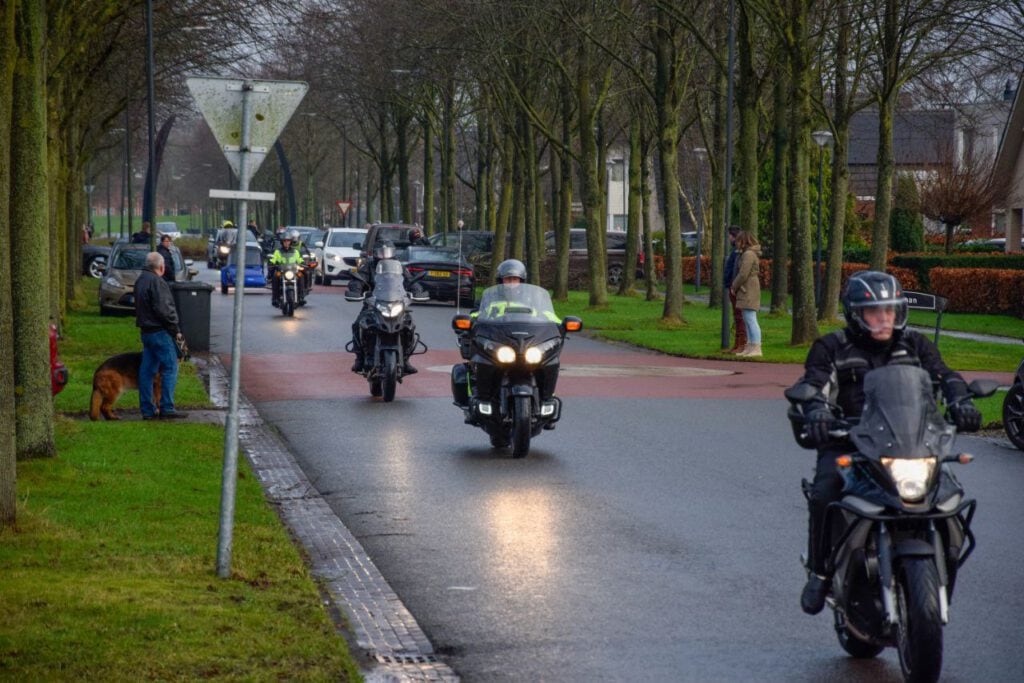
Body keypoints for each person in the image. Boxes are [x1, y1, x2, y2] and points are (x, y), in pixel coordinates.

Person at [794, 270, 982, 615]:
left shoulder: (915, 344)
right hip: (849, 441)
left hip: (911, 444)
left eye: (890, 311)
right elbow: (815, 385)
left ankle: (940, 565)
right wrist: (817, 411)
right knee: (824, 492)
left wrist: (961, 402)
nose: (884, 319)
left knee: (948, 496)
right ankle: (820, 573)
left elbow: (945, 375)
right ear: (855, 314)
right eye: (875, 312)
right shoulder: (831, 347)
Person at [348, 242, 425, 374]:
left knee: (409, 325)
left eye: (387, 251)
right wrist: (356, 290)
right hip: (373, 303)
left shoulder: (399, 266)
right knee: (357, 325)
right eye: (381, 251)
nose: (384, 254)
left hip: (396, 302)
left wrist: (417, 291)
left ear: (393, 252)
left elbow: (409, 280)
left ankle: (405, 360)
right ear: (375, 252)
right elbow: (359, 280)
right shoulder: (369, 265)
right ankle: (359, 358)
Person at [134, 252, 187, 420]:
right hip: (160, 332)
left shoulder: (140, 280)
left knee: (146, 371)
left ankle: (147, 410)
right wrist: (175, 327)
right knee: (171, 367)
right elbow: (164, 309)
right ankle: (167, 407)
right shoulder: (157, 282)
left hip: (146, 332)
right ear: (161, 267)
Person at [730, 231, 762, 357]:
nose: (736, 243)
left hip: (748, 287)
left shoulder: (748, 254)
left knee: (750, 318)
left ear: (743, 242)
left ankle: (756, 347)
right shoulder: (748, 253)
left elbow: (743, 273)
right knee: (747, 318)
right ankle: (750, 346)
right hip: (748, 286)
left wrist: (734, 285)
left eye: (738, 241)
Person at [268, 229, 305, 307]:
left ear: (291, 242)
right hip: (282, 271)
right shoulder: (278, 252)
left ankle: (301, 297)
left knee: (301, 275)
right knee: (275, 276)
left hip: (293, 271)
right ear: (282, 242)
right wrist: (272, 262)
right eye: (285, 241)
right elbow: (273, 259)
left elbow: (299, 259)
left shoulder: (295, 252)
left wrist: (302, 262)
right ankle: (275, 298)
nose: (286, 242)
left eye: (288, 241)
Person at [723, 226, 744, 353]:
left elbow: (738, 271)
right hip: (732, 286)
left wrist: (733, 285)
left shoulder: (738, 253)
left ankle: (741, 343)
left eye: (729, 236)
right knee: (737, 316)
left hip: (735, 288)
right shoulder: (735, 252)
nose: (728, 238)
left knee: (739, 316)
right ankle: (737, 343)